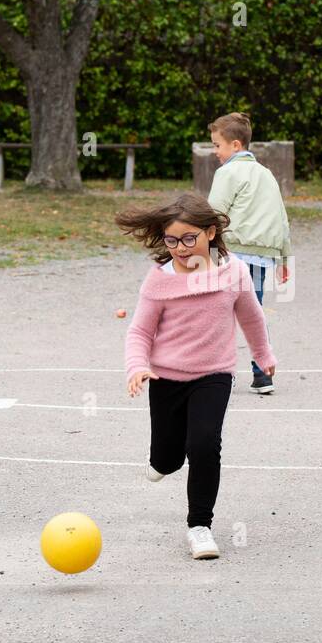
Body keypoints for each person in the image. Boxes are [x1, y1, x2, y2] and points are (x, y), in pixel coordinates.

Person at [118, 193, 276, 559]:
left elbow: (251, 317)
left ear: (210, 232)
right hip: (166, 378)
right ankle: (161, 462)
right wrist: (137, 366)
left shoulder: (232, 272)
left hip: (213, 375)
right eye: (172, 241)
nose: (181, 248)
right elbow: (140, 332)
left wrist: (263, 354)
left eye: (189, 238)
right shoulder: (160, 281)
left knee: (204, 445)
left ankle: (199, 526)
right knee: (169, 458)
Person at [206, 111, 291, 393]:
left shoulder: (227, 172)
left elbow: (214, 215)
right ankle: (263, 373)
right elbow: (281, 217)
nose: (215, 151)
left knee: (220, 311)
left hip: (233, 254)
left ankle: (219, 371)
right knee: (253, 313)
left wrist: (204, 251)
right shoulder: (266, 174)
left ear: (236, 146)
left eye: (217, 145)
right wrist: (284, 257)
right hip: (261, 256)